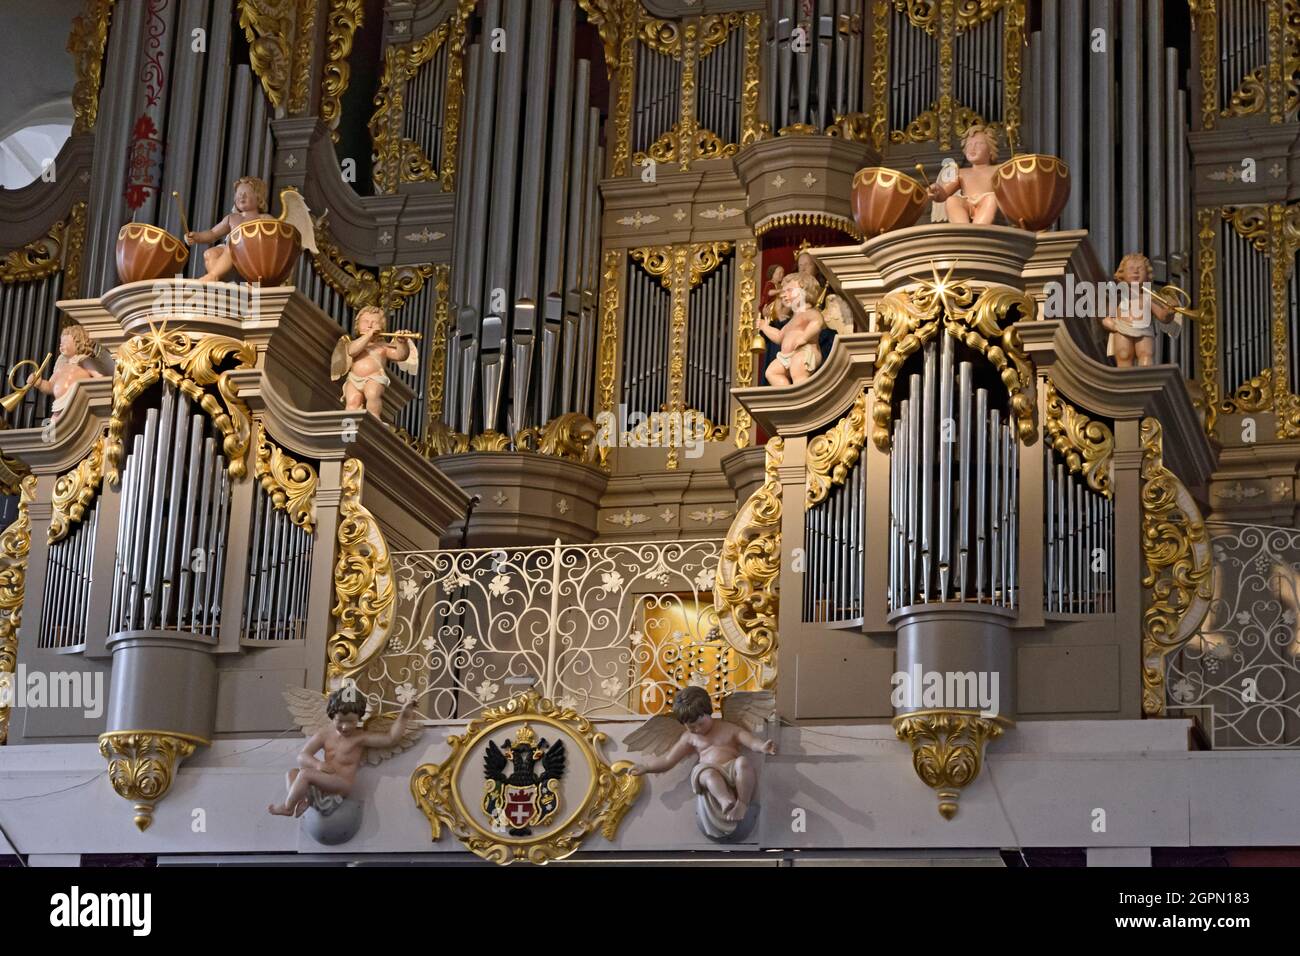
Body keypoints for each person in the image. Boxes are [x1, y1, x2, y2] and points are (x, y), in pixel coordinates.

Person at [629, 685, 775, 824]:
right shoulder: (689, 738)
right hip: (707, 769)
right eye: (691, 727)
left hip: (732, 768)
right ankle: (725, 800)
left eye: (700, 723)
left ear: (708, 712)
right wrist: (646, 767)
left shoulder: (728, 728)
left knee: (743, 762)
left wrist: (762, 746)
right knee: (707, 774)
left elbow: (748, 740)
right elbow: (668, 760)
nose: (697, 729)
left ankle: (742, 803)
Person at [268, 688, 416, 817]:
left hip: (342, 784)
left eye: (351, 722)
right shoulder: (324, 734)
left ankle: (288, 808)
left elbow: (390, 739)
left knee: (305, 774)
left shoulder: (360, 737)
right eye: (340, 721)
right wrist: (318, 764)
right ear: (332, 716)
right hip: (324, 779)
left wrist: (404, 716)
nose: (345, 727)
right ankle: (302, 800)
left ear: (359, 718)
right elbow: (302, 756)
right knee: (292, 773)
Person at [185, 176, 269, 282]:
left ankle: (213, 276)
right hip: (230, 251)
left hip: (250, 254)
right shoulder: (232, 218)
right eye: (239, 193)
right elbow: (212, 234)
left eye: (247, 193)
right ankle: (220, 280)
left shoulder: (264, 219)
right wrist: (197, 236)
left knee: (233, 246)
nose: (242, 196)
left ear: (259, 197)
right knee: (210, 254)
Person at [1101, 252, 1176, 368]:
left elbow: (1162, 316)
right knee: (1123, 354)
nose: (1135, 272)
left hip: (1144, 328)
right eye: (1131, 268)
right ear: (1122, 273)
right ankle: (1124, 382)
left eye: (1140, 269)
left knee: (1145, 354)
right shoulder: (1118, 296)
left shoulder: (1149, 296)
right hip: (1122, 328)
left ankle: (1146, 382)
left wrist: (1169, 313)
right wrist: (1110, 324)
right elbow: (1106, 316)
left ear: (1148, 275)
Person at [757, 272, 824, 386]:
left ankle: (800, 397)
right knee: (771, 372)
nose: (783, 295)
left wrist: (804, 337)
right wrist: (765, 327)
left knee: (798, 367)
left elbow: (817, 323)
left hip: (805, 351)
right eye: (783, 291)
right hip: (786, 357)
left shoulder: (808, 312)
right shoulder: (792, 321)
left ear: (805, 291)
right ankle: (787, 397)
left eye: (789, 290)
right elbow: (779, 337)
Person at [27, 323, 103, 420]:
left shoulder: (84, 361)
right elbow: (51, 386)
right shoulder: (61, 366)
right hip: (58, 407)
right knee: (54, 430)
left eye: (65, 343)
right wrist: (40, 383)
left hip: (77, 404)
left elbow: (100, 379)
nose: (61, 346)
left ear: (78, 343)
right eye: (60, 344)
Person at [928, 123, 1000, 225]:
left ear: (991, 150)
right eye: (969, 145)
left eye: (979, 144)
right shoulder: (961, 173)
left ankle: (978, 232)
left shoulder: (998, 169)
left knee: (991, 198)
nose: (972, 148)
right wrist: (937, 191)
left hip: (987, 204)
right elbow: (944, 194)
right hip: (966, 203)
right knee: (952, 200)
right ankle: (963, 231)